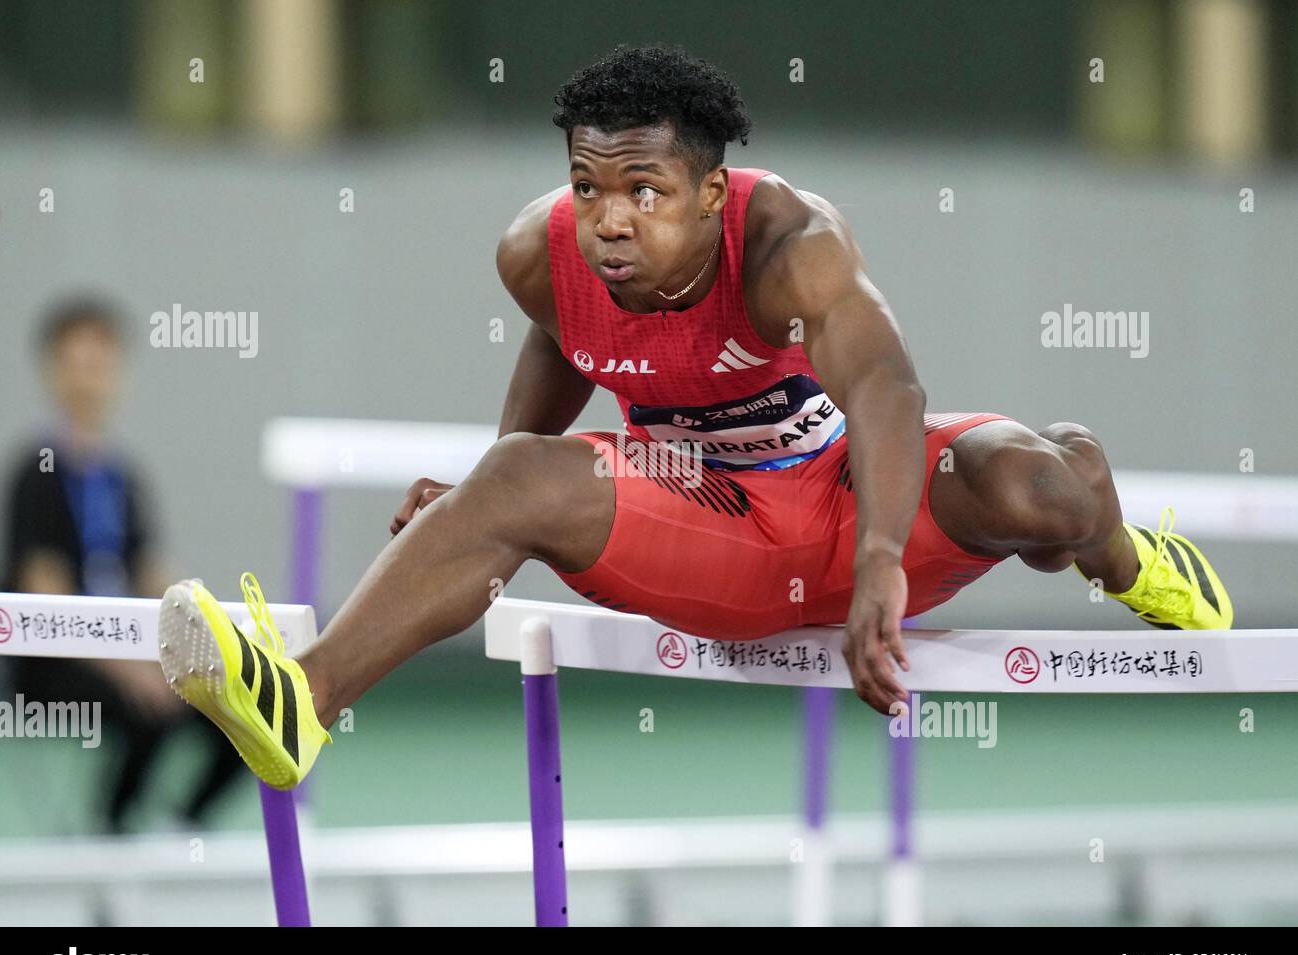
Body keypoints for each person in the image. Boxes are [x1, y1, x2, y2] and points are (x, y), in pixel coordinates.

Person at [155, 45, 1232, 791]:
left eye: (644, 191)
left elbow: (886, 391)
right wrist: (485, 492)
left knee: (1045, 483)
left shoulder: (788, 243)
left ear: (713, 193)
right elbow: (563, 343)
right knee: (523, 475)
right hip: (711, 522)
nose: (609, 220)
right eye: (587, 187)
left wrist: (878, 564)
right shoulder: (542, 253)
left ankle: (1126, 559)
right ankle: (300, 704)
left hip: (848, 490)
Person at [2, 297, 244, 832]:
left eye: (101, 365)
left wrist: (213, 636)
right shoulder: (35, 473)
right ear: (53, 372)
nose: (90, 380)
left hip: (124, 647)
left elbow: (152, 570)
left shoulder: (123, 477)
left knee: (240, 708)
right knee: (149, 708)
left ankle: (180, 832)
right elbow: (48, 595)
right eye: (77, 365)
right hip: (53, 661)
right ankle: (111, 836)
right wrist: (130, 667)